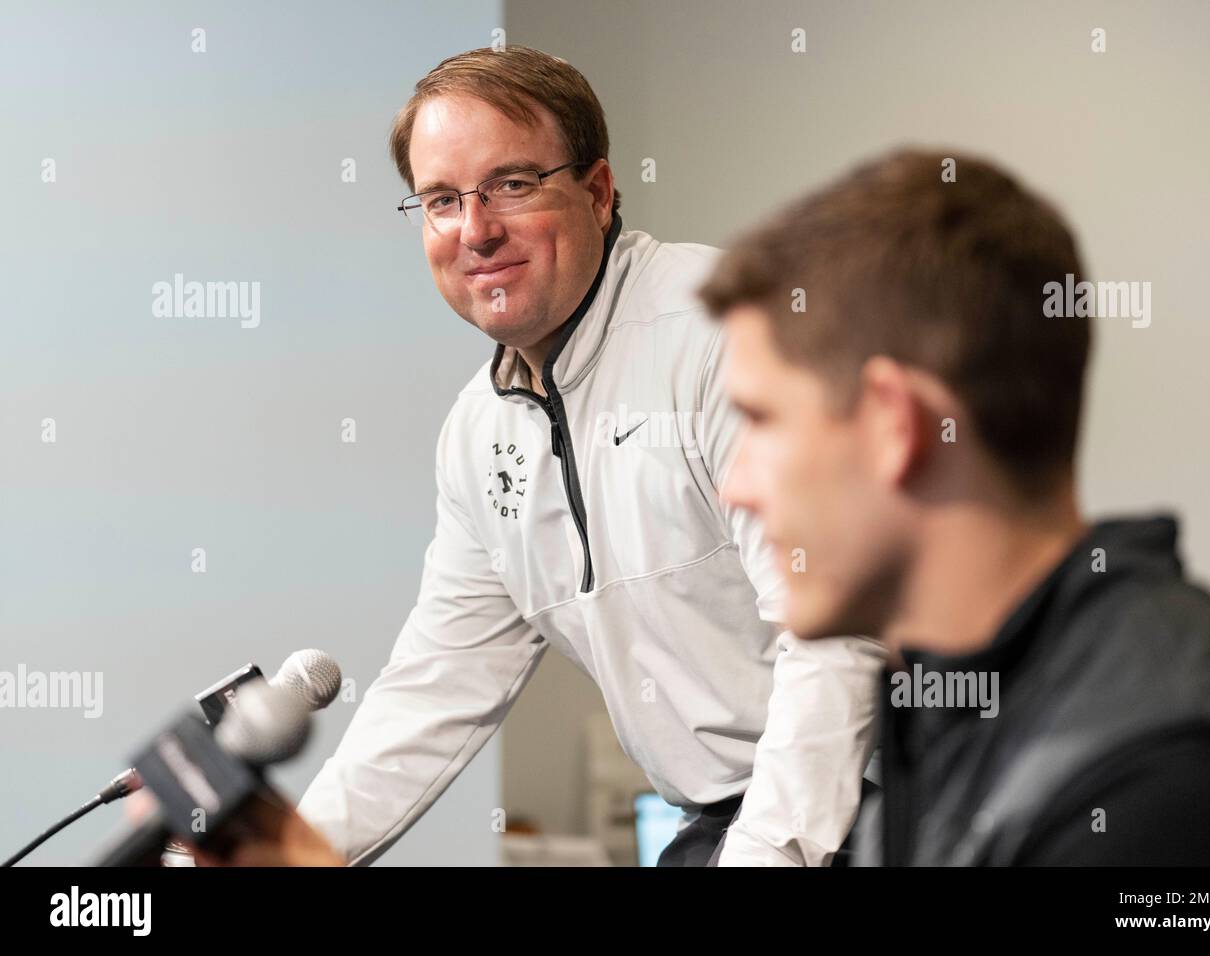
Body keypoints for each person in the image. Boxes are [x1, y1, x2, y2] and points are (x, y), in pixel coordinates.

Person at [292, 46, 885, 867]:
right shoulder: (477, 434)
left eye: (512, 184)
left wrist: (769, 855)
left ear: (598, 192)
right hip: (729, 816)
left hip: (887, 795)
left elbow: (834, 636)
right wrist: (280, 857)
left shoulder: (723, 334)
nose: (476, 230)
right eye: (441, 200)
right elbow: (436, 686)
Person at [698, 148, 1210, 865]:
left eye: (761, 422)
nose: (735, 486)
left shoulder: (1182, 788)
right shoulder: (946, 705)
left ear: (896, 424)